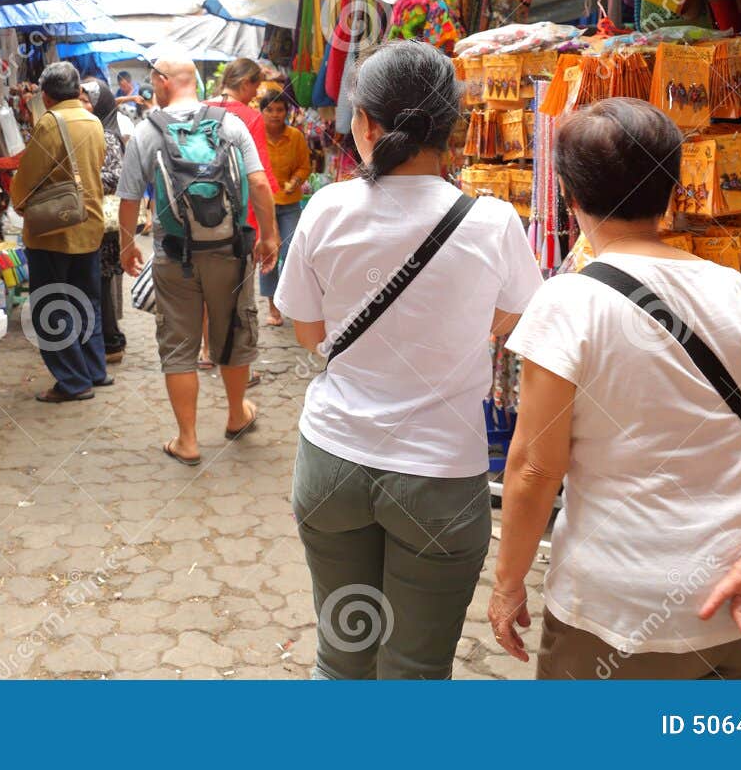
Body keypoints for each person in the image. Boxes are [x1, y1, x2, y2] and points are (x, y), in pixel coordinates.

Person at [489, 98, 741, 679]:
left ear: (568, 194)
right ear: (674, 189)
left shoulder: (568, 301)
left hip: (619, 611)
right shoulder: (734, 290)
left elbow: (535, 466)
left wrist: (508, 585)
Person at [276, 40, 541, 679]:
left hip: (332, 462)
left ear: (365, 124)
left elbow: (308, 331)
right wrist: (449, 340)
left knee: (341, 657)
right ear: (452, 127)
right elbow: (514, 319)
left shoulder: (326, 208)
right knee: (416, 672)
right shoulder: (493, 221)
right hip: (440, 477)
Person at [118, 53, 278, 464]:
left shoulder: (147, 130)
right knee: (234, 332)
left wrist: (126, 245)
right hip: (230, 251)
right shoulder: (230, 123)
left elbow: (129, 198)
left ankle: (187, 441)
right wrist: (269, 236)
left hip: (174, 254)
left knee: (178, 346)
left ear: (161, 80)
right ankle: (236, 415)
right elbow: (259, 183)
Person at [10, 62, 110, 403]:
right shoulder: (93, 121)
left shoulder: (51, 123)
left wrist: (19, 204)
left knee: (52, 304)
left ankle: (73, 381)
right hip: (89, 223)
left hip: (54, 229)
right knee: (87, 301)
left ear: (46, 95)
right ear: (76, 90)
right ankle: (94, 369)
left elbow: (28, 176)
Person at [203, 58, 273, 369]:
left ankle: (206, 350)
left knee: (205, 289)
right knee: (237, 293)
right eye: (256, 87)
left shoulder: (199, 109)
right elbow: (259, 178)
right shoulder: (250, 117)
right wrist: (268, 233)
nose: (256, 94)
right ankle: (234, 361)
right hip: (240, 220)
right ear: (245, 83)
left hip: (199, 216)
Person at [81, 77, 128, 365]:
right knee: (99, 281)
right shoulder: (94, 131)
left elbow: (116, 177)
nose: (81, 105)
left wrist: (81, 178)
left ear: (100, 105)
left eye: (86, 101)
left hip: (103, 221)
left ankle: (111, 342)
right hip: (96, 219)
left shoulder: (106, 136)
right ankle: (109, 340)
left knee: (99, 281)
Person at [257, 91, 311, 325]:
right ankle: (273, 308)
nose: (275, 114)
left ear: (286, 112)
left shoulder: (295, 136)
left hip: (290, 204)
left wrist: (295, 181)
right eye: (269, 110)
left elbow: (304, 166)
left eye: (280, 110)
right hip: (264, 205)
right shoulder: (255, 137)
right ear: (262, 112)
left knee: (292, 253)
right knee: (268, 253)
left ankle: (289, 300)